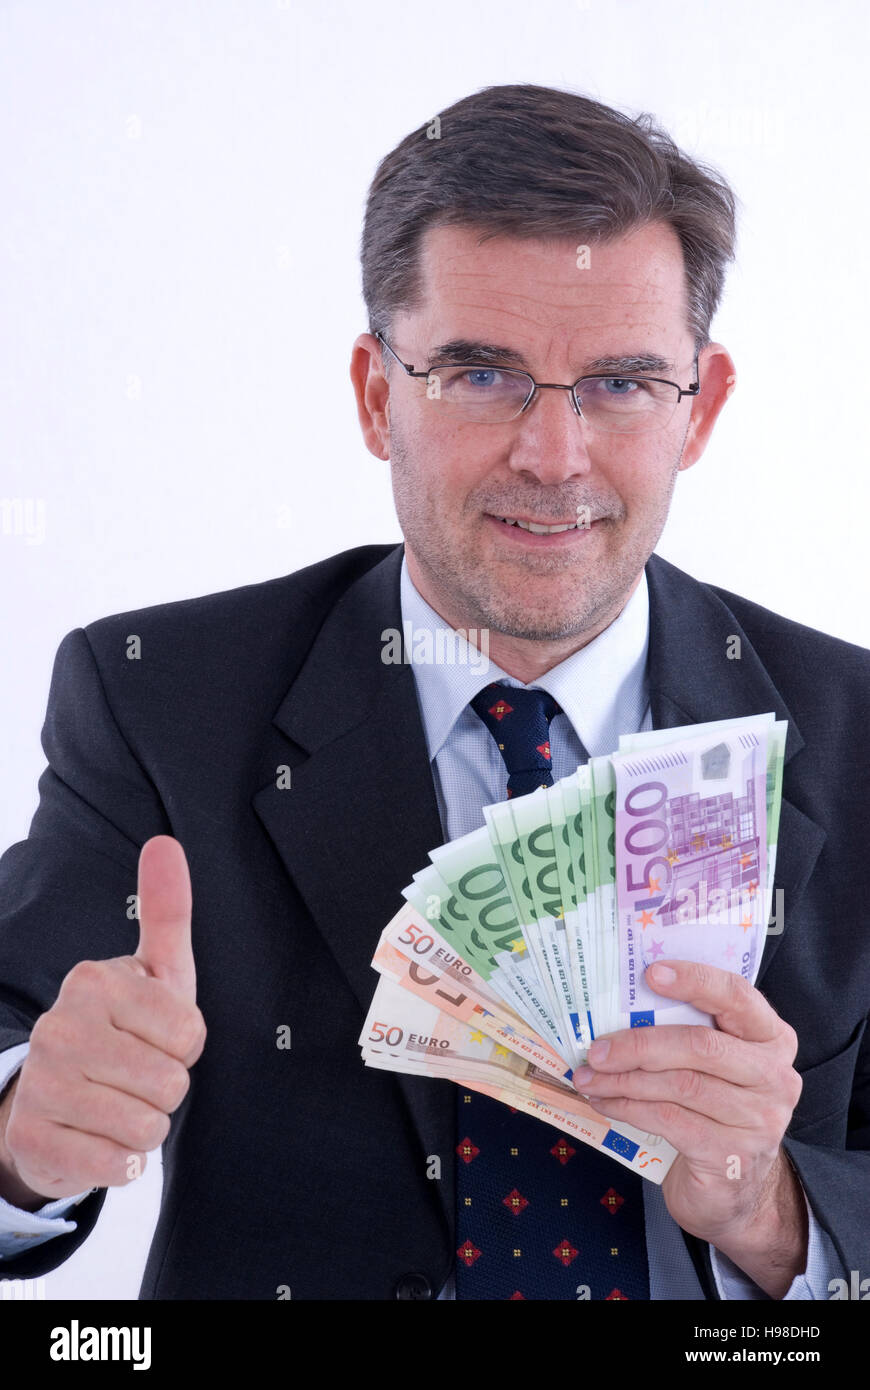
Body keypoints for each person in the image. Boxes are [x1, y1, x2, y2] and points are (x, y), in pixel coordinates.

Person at [0, 83, 867, 1301]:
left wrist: (775, 1214)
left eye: (621, 382)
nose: (553, 456)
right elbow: (17, 1036)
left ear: (701, 408)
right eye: (479, 374)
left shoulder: (856, 732)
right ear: (375, 395)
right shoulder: (160, 701)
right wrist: (19, 1137)